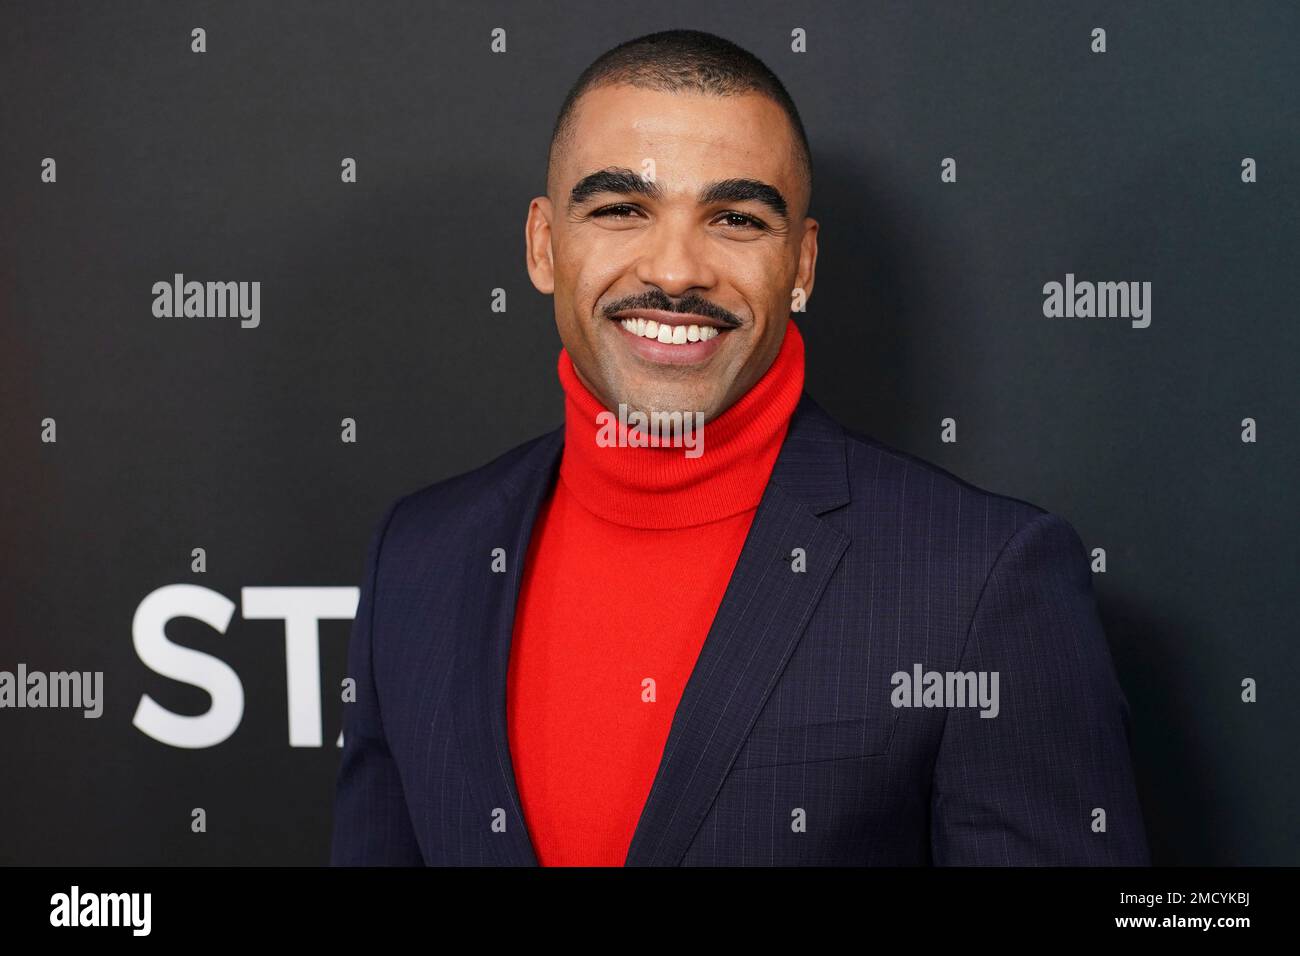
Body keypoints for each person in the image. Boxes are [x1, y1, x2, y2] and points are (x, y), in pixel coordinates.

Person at [330, 28, 1149, 866]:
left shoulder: (982, 580)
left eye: (736, 218)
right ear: (543, 246)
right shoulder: (420, 555)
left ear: (802, 264)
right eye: (621, 209)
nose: (677, 270)